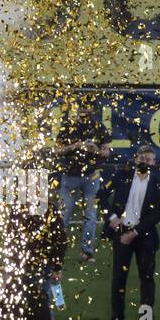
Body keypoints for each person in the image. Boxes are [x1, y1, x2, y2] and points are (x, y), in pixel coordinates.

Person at [99, 145, 160, 320]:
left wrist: (134, 233)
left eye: (148, 159)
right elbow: (101, 195)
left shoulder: (157, 183)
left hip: (145, 236)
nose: (144, 162)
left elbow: (156, 216)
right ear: (136, 159)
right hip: (121, 233)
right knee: (119, 278)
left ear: (154, 163)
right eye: (142, 158)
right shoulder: (123, 176)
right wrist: (112, 218)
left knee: (147, 278)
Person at [54, 108, 112, 262]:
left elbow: (107, 153)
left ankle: (87, 252)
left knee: (90, 216)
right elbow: (57, 150)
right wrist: (74, 146)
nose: (84, 113)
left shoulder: (99, 127)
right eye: (82, 110)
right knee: (63, 215)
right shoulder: (67, 126)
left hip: (91, 176)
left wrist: (96, 150)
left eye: (87, 110)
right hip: (70, 176)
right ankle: (56, 251)